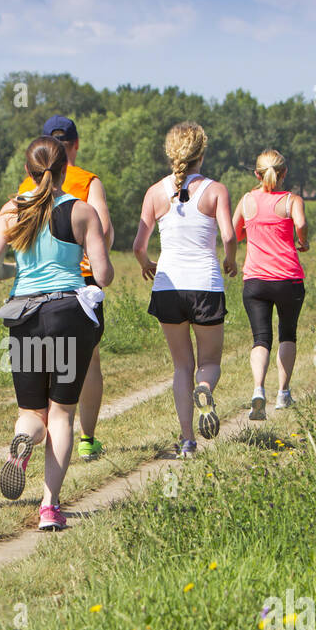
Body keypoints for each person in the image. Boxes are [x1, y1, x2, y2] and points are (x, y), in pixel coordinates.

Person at [0, 136, 112, 530]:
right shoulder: (82, 211)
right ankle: (50, 506)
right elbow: (103, 275)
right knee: (61, 413)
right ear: (63, 170)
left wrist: (17, 274)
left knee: (30, 412)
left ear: (28, 171)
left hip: (24, 313)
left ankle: (22, 447)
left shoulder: (12, 210)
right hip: (67, 311)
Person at [132, 122, 238, 453]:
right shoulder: (216, 190)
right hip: (205, 285)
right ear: (201, 154)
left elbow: (138, 244)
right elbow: (229, 235)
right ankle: (204, 387)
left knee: (181, 366)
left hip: (168, 287)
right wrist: (231, 260)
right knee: (210, 362)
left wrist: (146, 264)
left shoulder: (154, 193)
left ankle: (188, 440)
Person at [17, 116, 114, 461]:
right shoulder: (89, 182)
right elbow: (104, 231)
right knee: (88, 365)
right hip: (80, 287)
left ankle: (32, 427)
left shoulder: (26, 188)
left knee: (37, 377)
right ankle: (86, 439)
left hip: (29, 295)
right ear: (74, 146)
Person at [233, 149, 309, 418]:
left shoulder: (246, 200)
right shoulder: (291, 201)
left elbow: (234, 232)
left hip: (255, 281)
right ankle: (283, 394)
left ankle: (257, 389)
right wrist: (303, 241)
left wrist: (245, 234)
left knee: (260, 339)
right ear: (284, 172)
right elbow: (300, 223)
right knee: (287, 334)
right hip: (288, 279)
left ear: (256, 174)